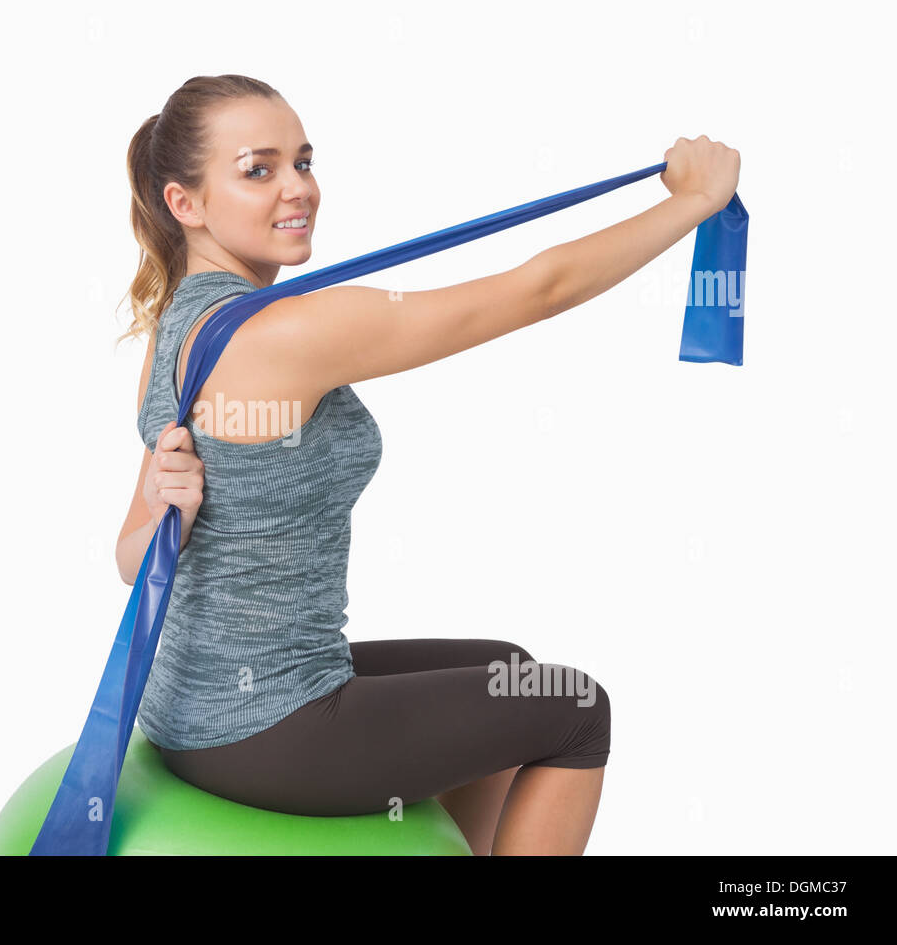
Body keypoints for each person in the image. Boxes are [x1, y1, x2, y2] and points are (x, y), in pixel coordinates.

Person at [112, 75, 739, 855]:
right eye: (258, 169)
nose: (298, 188)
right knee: (576, 707)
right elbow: (536, 291)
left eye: (303, 162)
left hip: (186, 712)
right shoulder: (291, 331)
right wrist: (692, 203)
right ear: (186, 203)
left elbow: (129, 554)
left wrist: (176, 512)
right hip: (265, 730)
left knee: (509, 669)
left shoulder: (177, 326)